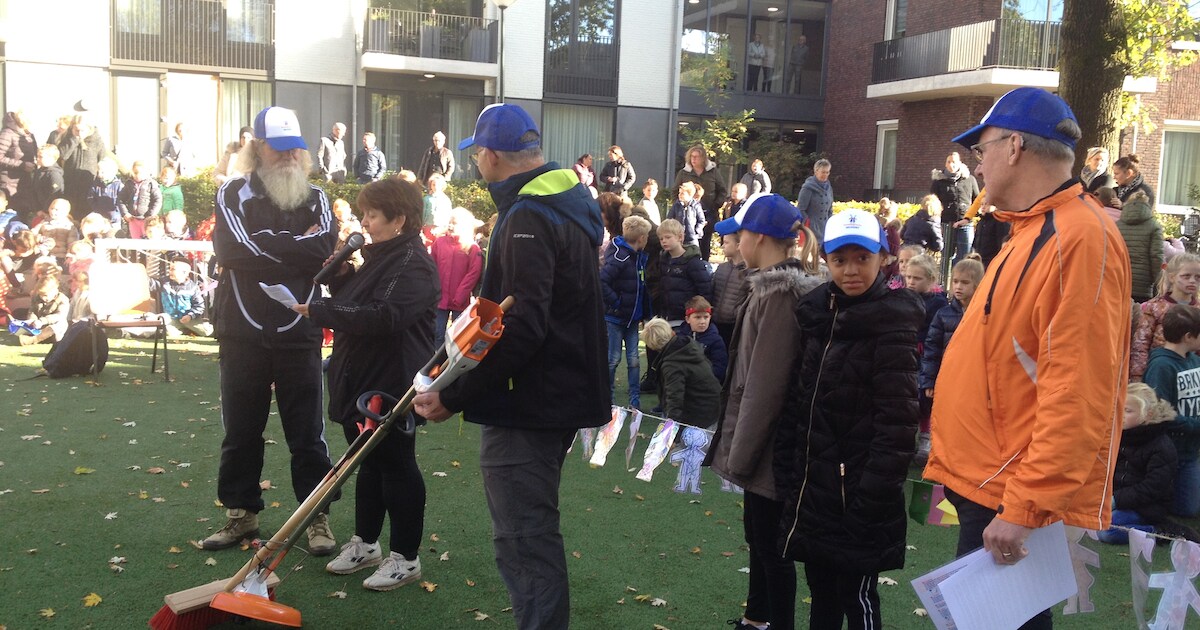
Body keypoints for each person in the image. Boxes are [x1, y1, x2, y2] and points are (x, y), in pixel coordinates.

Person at [923, 87, 1131, 630]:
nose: (978, 161)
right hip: (991, 482)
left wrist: (1025, 506)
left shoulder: (1078, 237)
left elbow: (1078, 390)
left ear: (1013, 146)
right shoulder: (1032, 230)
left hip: (1010, 492)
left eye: (982, 147)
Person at [411, 103, 609, 629]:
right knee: (528, 535)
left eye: (477, 154)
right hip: (553, 394)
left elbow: (521, 327)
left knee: (524, 539)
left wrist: (453, 397)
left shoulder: (529, 215)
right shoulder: (566, 200)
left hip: (533, 402)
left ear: (491, 155)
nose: (476, 163)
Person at [776, 208, 922, 630]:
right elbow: (799, 401)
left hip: (859, 495)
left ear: (882, 259)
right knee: (821, 595)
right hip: (815, 488)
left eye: (862, 258)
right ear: (826, 261)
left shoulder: (891, 324)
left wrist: (868, 502)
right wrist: (790, 473)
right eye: (840, 260)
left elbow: (897, 429)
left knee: (856, 597)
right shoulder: (818, 315)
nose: (851, 270)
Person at [203, 106, 339, 557]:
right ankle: (241, 515)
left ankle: (316, 516)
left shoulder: (317, 196)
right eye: (277, 148)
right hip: (240, 329)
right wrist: (294, 250)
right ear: (256, 147)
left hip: (300, 328)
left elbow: (323, 247)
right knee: (241, 427)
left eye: (293, 148)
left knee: (308, 431)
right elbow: (231, 249)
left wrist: (267, 247)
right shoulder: (231, 192)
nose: (287, 157)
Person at [294, 177, 439, 592]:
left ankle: (406, 557)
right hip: (359, 378)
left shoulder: (413, 263)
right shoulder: (379, 257)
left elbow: (384, 315)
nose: (364, 223)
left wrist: (322, 309)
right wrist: (339, 278)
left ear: (400, 219)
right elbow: (361, 301)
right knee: (367, 461)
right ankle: (366, 543)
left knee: (396, 464)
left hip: (390, 384)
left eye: (372, 215)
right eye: (363, 215)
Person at [706, 193, 823, 630]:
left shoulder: (778, 297)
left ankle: (775, 624)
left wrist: (740, 455)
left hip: (771, 445)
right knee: (758, 538)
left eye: (737, 235)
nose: (733, 243)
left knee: (772, 548)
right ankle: (757, 619)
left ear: (756, 237)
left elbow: (764, 386)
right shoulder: (768, 286)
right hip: (763, 441)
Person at [1099, 381, 1200, 544]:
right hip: (1122, 500)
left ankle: (1162, 532)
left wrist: (1115, 500)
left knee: (1107, 531)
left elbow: (1152, 488)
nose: (1121, 415)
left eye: (1128, 411)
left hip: (1147, 507)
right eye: (1119, 409)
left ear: (1148, 414)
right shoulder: (1120, 436)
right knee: (1088, 520)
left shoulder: (1161, 447)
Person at [917, 256, 984, 466]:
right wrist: (928, 380)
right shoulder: (943, 314)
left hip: (974, 379)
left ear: (978, 285)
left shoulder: (985, 313)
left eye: (964, 282)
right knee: (944, 419)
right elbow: (932, 349)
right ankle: (942, 457)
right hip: (947, 378)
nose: (958, 287)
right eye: (955, 281)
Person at [1142, 304, 1200, 518]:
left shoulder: (1194, 360)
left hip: (1190, 450)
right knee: (1184, 509)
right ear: (1188, 336)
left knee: (1190, 508)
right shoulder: (1161, 367)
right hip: (1170, 452)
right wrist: (1195, 425)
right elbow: (1160, 413)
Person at [600, 214, 652, 410]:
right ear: (641, 238)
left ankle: (634, 402)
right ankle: (608, 400)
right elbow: (602, 281)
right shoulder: (620, 258)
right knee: (613, 359)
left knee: (634, 360)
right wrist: (617, 303)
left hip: (633, 317)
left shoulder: (638, 257)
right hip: (616, 317)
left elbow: (641, 287)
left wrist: (645, 312)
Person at [1130, 253, 1200, 381]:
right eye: (1186, 276)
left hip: (1190, 374)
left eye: (1197, 277)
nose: (1192, 281)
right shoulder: (1155, 307)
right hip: (1159, 371)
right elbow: (1140, 343)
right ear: (1172, 277)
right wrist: (1137, 377)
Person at [642, 317, 721, 428]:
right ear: (671, 332)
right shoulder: (688, 346)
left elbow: (675, 399)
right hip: (713, 408)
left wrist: (672, 433)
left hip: (698, 416)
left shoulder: (672, 365)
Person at [430, 207, 484, 351]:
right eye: (449, 222)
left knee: (456, 336)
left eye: (454, 223)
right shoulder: (439, 243)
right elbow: (432, 267)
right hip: (440, 299)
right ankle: (435, 363)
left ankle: (450, 364)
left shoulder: (472, 248)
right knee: (437, 333)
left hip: (460, 301)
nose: (450, 226)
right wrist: (433, 291)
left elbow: (474, 273)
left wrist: (461, 294)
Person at [930, 152, 980, 280]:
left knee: (965, 254)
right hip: (946, 224)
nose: (951, 164)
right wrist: (936, 222)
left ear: (960, 163)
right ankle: (943, 283)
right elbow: (933, 203)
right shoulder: (938, 181)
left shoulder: (970, 179)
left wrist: (974, 216)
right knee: (946, 255)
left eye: (954, 162)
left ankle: (959, 281)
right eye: (948, 162)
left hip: (965, 223)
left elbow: (977, 199)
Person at [673, 144, 726, 261]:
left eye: (696, 157)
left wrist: (715, 206)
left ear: (703, 158)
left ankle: (704, 269)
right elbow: (675, 191)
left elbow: (722, 191)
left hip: (708, 213)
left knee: (704, 244)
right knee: (686, 244)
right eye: (691, 156)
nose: (693, 159)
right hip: (687, 214)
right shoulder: (684, 173)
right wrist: (678, 207)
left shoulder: (713, 172)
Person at [657, 218, 712, 324]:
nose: (664, 241)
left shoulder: (693, 262)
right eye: (661, 238)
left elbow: (705, 290)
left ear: (680, 237)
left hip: (687, 317)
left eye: (668, 237)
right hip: (667, 316)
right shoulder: (664, 261)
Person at [1117, 191, 1164, 302]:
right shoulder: (1154, 226)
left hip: (1120, 282)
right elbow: (1156, 256)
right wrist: (1158, 283)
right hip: (1143, 284)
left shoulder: (1116, 225)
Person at [57, 116, 106, 222]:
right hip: (70, 182)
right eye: (76, 130)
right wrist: (73, 140)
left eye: (82, 130)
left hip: (88, 183)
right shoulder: (67, 139)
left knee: (86, 214)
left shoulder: (96, 141)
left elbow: (102, 159)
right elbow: (62, 156)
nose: (79, 133)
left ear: (89, 129)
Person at [676, 295, 727, 383]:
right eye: (697, 317)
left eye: (706, 317)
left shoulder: (716, 340)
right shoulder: (680, 338)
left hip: (707, 385)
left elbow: (720, 367)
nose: (702, 322)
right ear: (688, 319)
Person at [712, 231, 750, 350]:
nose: (723, 246)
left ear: (738, 245)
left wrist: (737, 314)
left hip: (734, 326)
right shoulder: (721, 268)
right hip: (715, 322)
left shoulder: (748, 272)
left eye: (727, 242)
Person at [156, 258, 213, 337]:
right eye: (170, 269)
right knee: (167, 332)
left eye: (173, 269)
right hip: (171, 318)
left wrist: (190, 316)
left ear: (184, 272)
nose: (170, 271)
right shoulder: (164, 283)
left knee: (207, 332)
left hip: (188, 319)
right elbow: (150, 283)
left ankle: (188, 328)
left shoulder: (192, 287)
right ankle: (182, 330)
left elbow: (199, 306)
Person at [0, 111, 36, 215]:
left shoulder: (28, 134)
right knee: (12, 210)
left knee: (24, 209)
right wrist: (22, 165)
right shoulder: (7, 133)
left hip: (25, 179)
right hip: (10, 180)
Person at [18, 272, 69, 346]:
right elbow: (32, 310)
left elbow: (59, 316)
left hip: (53, 330)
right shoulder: (36, 297)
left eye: (45, 295)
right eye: (41, 295)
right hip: (39, 325)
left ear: (55, 290)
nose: (43, 298)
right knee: (20, 313)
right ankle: (20, 329)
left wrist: (42, 321)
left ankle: (33, 340)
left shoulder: (63, 300)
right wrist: (32, 320)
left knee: (60, 324)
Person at [118, 161, 162, 240]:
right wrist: (125, 213)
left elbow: (158, 200)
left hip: (146, 220)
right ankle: (135, 253)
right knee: (135, 242)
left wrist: (150, 215)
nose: (138, 175)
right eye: (135, 172)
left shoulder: (151, 184)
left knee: (147, 241)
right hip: (133, 219)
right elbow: (120, 199)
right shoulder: (129, 184)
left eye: (141, 173)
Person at [796, 158, 833, 243]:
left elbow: (830, 208)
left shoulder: (828, 187)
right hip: (811, 229)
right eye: (823, 172)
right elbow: (801, 209)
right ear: (816, 171)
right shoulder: (808, 188)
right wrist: (808, 223)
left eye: (827, 172)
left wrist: (830, 223)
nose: (825, 175)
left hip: (825, 229)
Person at [27, 145, 64, 225]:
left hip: (49, 212)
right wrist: (37, 209)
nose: (38, 159)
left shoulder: (54, 175)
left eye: (41, 157)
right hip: (39, 209)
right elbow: (34, 191)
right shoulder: (39, 171)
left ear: (52, 158)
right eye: (37, 156)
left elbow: (55, 195)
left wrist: (46, 210)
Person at [666, 181, 706, 248]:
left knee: (693, 254)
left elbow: (701, 220)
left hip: (692, 238)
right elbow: (669, 219)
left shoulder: (696, 206)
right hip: (678, 238)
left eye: (682, 193)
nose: (680, 195)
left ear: (690, 194)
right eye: (679, 193)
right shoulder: (676, 205)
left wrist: (696, 231)